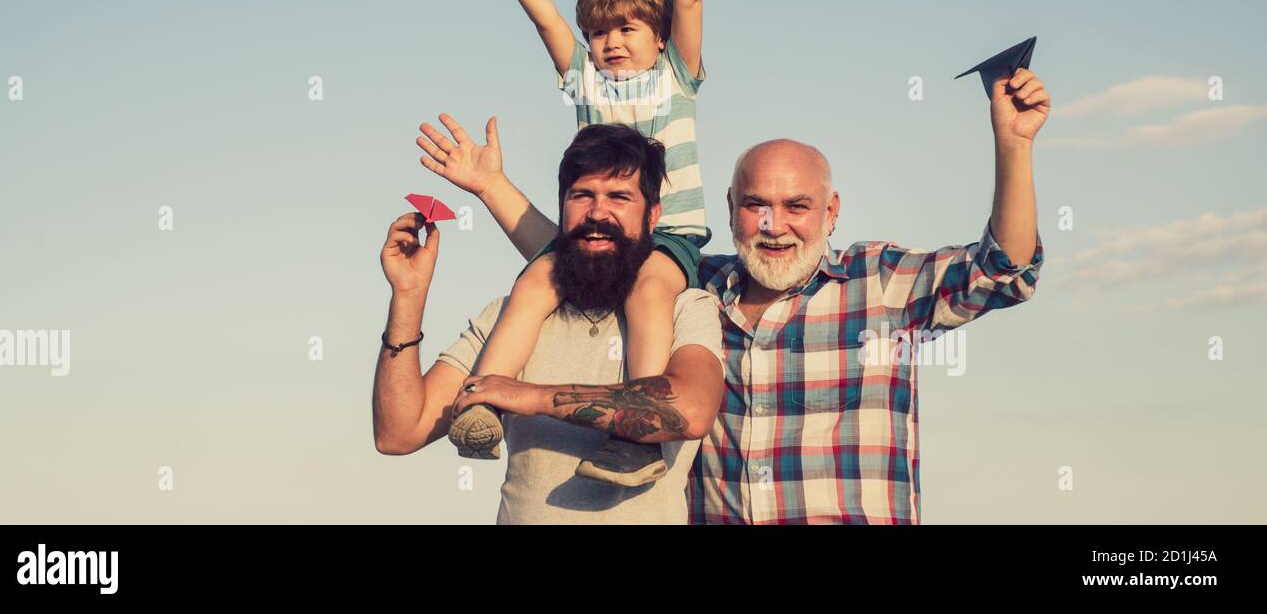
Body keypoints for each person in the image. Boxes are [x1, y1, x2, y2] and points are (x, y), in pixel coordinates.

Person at [413, 62, 1050, 522]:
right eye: (756, 206)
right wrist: (491, 187)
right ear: (729, 209)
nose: (775, 226)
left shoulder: (878, 283)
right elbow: (590, 242)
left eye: (796, 206)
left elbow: (1004, 271)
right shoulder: (695, 291)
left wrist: (1013, 144)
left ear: (831, 211)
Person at [444, 0, 721, 485]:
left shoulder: (676, 75)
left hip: (667, 231)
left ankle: (638, 436)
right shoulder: (585, 80)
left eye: (627, 29)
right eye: (599, 32)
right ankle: (486, 401)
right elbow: (544, 20)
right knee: (535, 281)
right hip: (596, 230)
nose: (610, 42)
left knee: (650, 293)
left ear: (661, 37)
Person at [373, 123, 725, 524]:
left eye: (619, 197)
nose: (597, 213)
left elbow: (691, 410)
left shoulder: (685, 310)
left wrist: (528, 396)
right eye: (582, 196)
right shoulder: (511, 316)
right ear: (561, 208)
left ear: (652, 217)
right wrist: (408, 297)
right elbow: (398, 433)